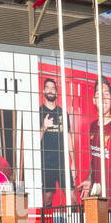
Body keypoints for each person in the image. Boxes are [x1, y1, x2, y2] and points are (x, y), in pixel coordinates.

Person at [76, 79, 111, 208]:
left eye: (106, 94)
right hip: (96, 194)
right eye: (98, 94)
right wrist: (90, 178)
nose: (102, 98)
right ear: (94, 101)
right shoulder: (93, 126)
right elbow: (94, 159)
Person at [38, 75, 67, 206]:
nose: (50, 90)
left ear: (56, 92)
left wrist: (73, 164)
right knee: (47, 198)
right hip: (46, 163)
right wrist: (44, 126)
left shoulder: (62, 112)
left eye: (53, 88)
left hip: (62, 163)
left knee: (72, 196)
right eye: (47, 88)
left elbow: (69, 137)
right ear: (44, 91)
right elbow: (33, 141)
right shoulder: (38, 112)